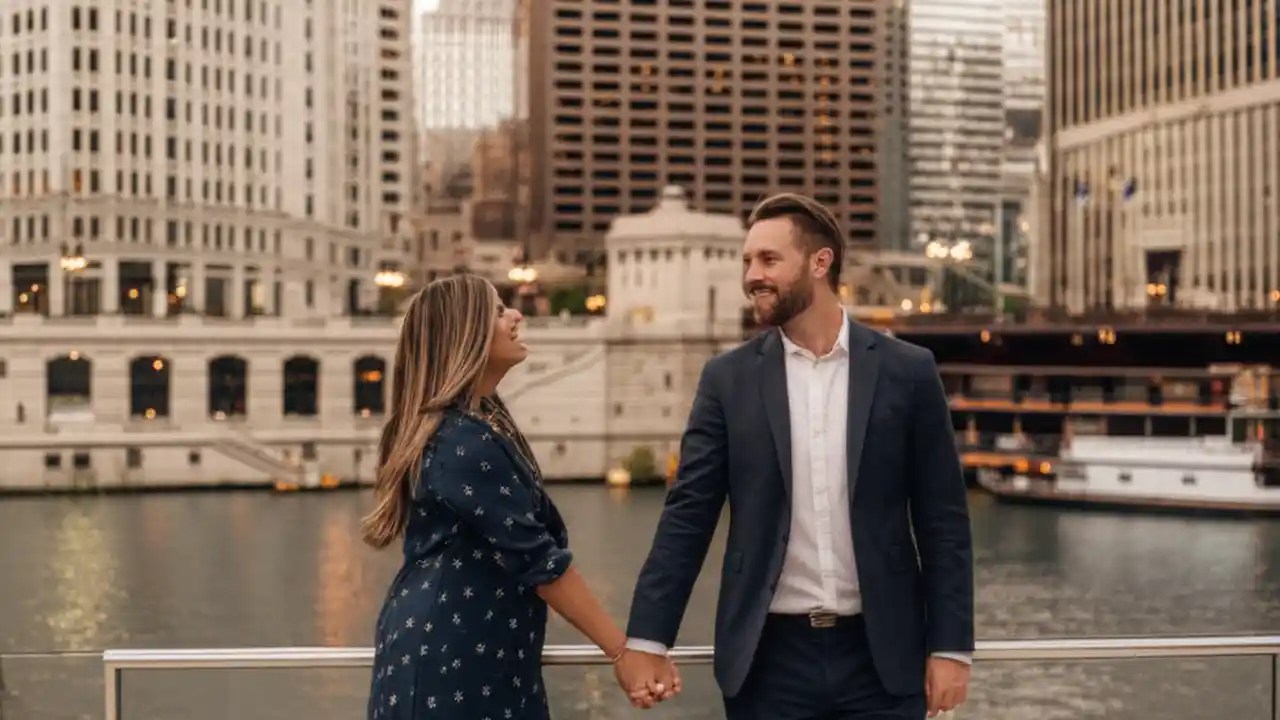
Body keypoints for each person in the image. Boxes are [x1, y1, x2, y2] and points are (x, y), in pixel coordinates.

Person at [615, 194, 975, 719]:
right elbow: (688, 515)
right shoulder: (727, 380)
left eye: (768, 260)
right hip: (766, 664)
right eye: (746, 261)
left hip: (884, 661)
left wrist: (950, 647)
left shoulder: (909, 371)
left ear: (819, 262)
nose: (751, 276)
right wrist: (648, 636)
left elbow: (943, 520)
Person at [363, 275, 675, 719]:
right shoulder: (459, 439)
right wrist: (622, 652)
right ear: (464, 334)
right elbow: (538, 560)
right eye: (496, 311)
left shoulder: (481, 418)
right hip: (453, 659)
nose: (516, 316)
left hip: (483, 649)